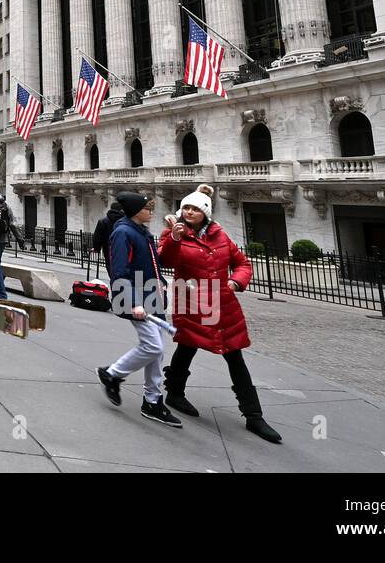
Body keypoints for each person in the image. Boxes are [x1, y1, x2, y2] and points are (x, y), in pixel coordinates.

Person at [158, 184, 282, 444]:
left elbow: (242, 264)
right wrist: (174, 238)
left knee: (234, 356)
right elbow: (165, 261)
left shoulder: (220, 236)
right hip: (192, 301)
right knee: (187, 346)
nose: (189, 212)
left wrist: (236, 282)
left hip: (223, 304)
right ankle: (175, 393)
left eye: (195, 208)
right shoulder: (172, 234)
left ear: (206, 212)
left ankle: (254, 415)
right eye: (186, 208)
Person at [96, 193, 181, 428]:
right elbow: (120, 270)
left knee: (158, 350)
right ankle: (113, 373)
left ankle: (152, 400)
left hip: (151, 294)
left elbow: (155, 263)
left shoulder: (142, 230)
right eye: (148, 209)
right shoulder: (123, 232)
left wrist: (173, 239)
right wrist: (133, 302)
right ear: (135, 210)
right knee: (153, 346)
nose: (152, 213)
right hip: (137, 297)